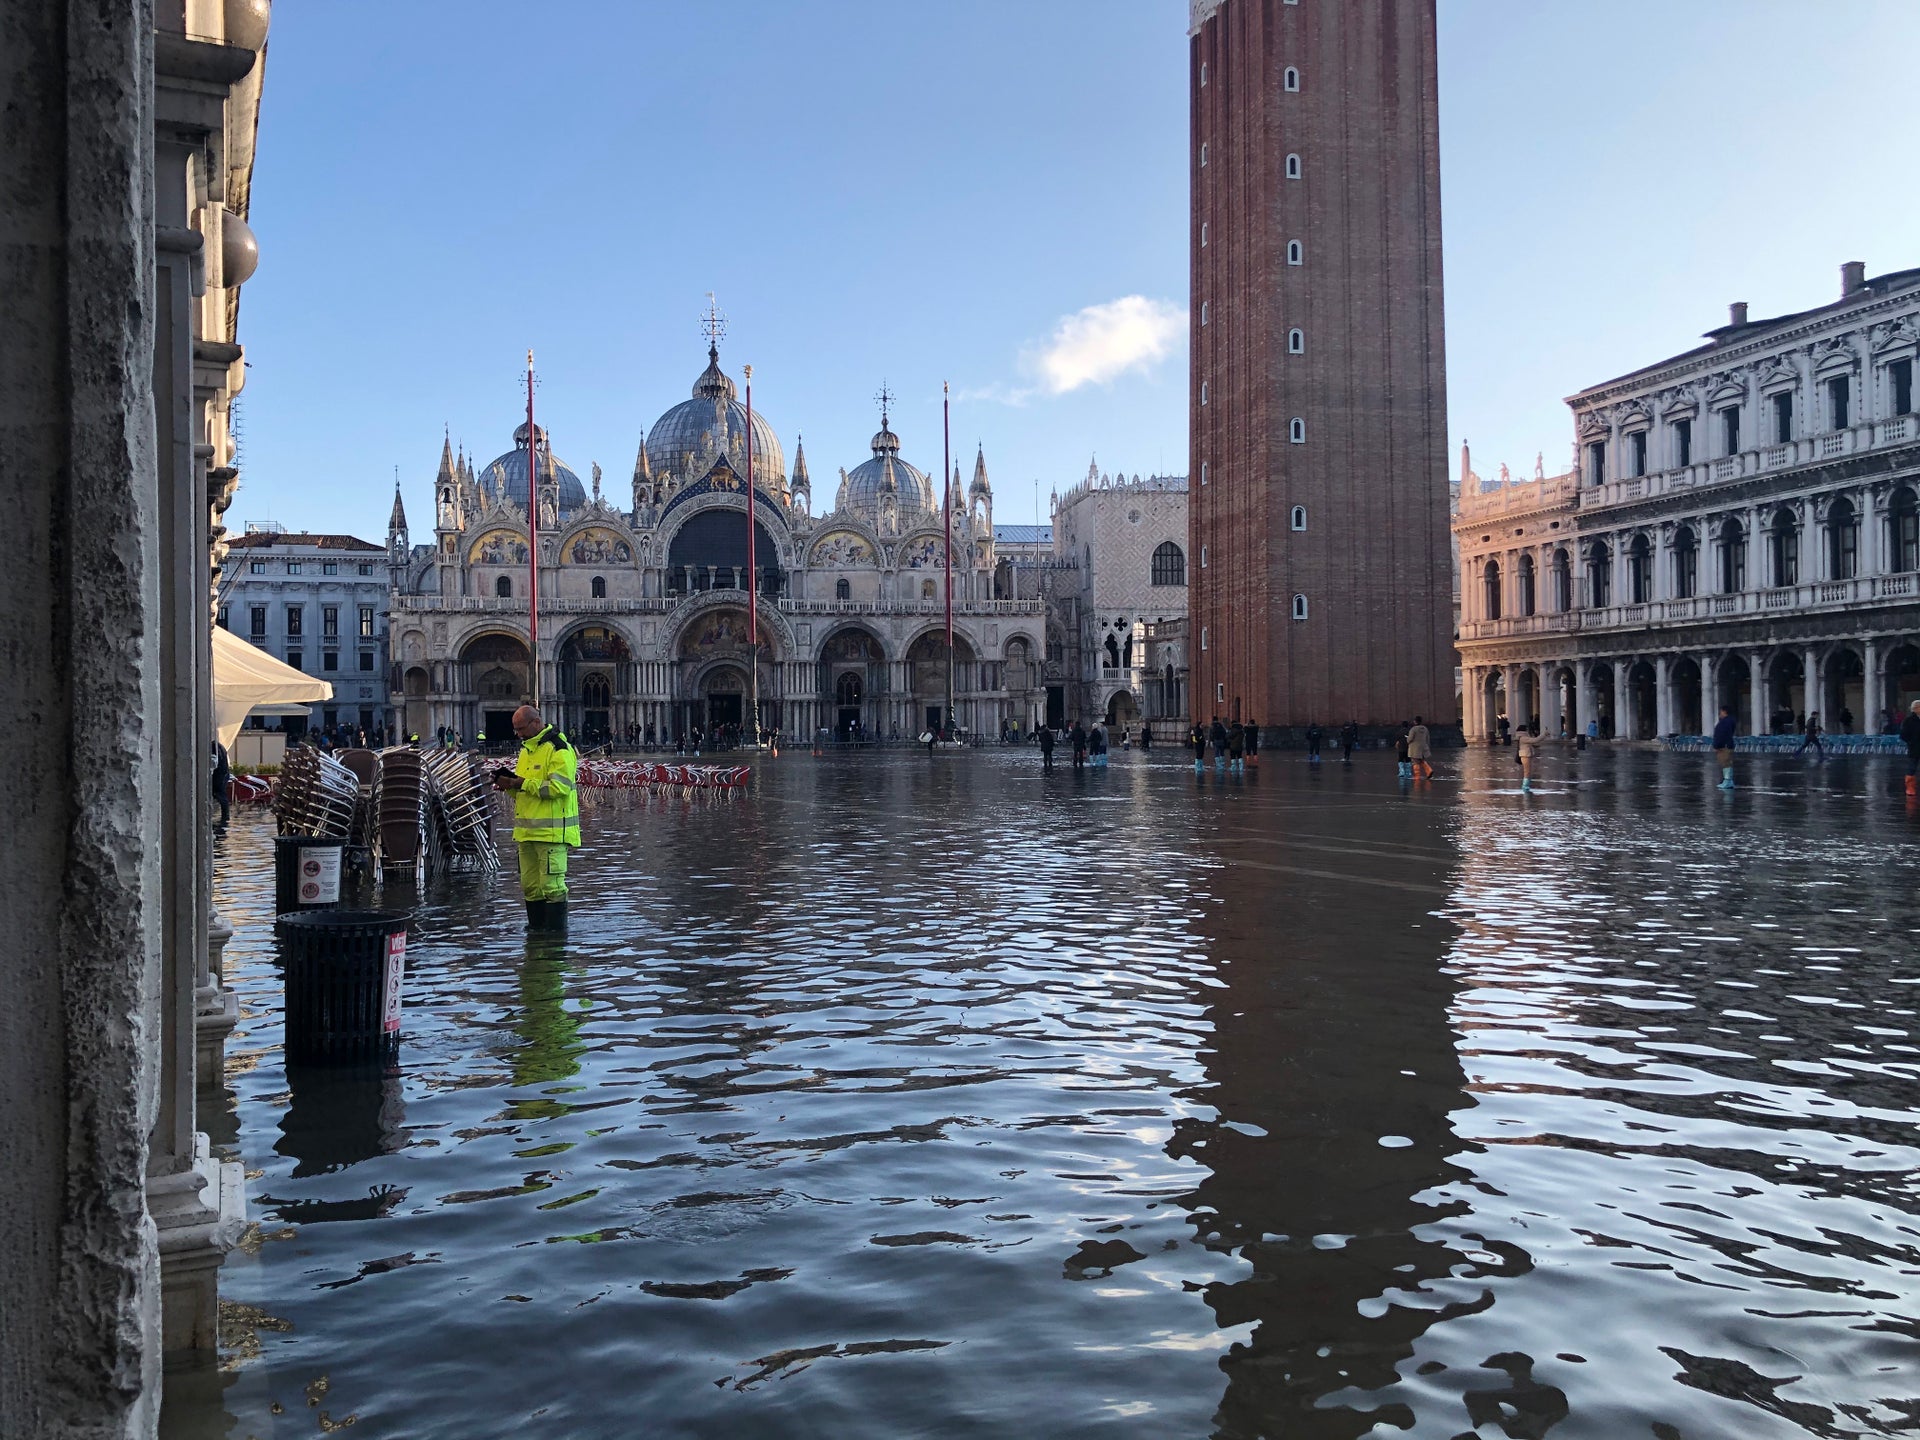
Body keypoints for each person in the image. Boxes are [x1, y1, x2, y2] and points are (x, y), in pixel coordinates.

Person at [494, 705, 580, 932]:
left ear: (536, 722)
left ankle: (555, 937)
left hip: (552, 834)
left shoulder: (559, 749)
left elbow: (559, 788)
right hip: (526, 832)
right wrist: (508, 785)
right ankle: (536, 931)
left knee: (552, 886)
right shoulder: (526, 751)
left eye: (521, 728)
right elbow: (525, 790)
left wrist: (520, 783)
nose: (518, 734)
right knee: (530, 886)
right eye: (515, 730)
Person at [1711, 704, 1738, 789]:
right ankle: (1728, 780)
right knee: (1728, 762)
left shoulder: (1724, 722)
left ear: (1724, 711)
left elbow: (1721, 735)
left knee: (1725, 762)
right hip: (1728, 744)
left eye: (1721, 711)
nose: (1720, 713)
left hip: (1723, 746)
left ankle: (1727, 780)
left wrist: (1717, 745)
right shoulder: (1731, 721)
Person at [210, 740, 231, 827]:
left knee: (221, 796)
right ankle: (225, 818)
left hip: (219, 776)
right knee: (222, 798)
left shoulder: (215, 747)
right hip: (223, 775)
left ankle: (225, 818)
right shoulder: (218, 747)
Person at [1408, 715, 1433, 780]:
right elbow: (1428, 738)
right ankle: (1429, 770)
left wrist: (1407, 739)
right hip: (1423, 747)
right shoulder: (1425, 729)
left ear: (1415, 722)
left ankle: (1417, 776)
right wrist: (1427, 746)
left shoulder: (1413, 729)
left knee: (1415, 761)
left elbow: (1410, 739)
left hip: (1415, 748)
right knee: (1421, 760)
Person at [1903, 700, 1920, 795]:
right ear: (1915, 708)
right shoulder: (1908, 720)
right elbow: (1904, 735)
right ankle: (1910, 788)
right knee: (1912, 768)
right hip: (1914, 747)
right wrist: (1911, 742)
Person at [1516, 723, 1539, 793]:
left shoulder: (1523, 737)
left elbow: (1534, 742)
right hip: (1525, 755)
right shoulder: (1523, 738)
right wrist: (1544, 735)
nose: (1527, 730)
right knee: (1527, 771)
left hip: (1526, 755)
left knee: (1528, 771)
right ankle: (1525, 786)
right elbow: (1535, 740)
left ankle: (1526, 786)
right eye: (1526, 729)